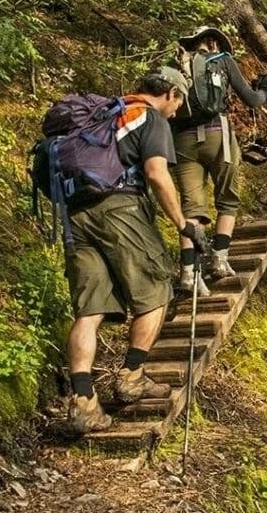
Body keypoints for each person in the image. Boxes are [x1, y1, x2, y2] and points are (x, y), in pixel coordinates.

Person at [65, 68, 209, 433]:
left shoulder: (106, 115)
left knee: (90, 309)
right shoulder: (150, 117)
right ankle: (131, 375)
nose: (177, 112)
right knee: (157, 290)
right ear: (171, 94)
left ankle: (83, 402)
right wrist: (183, 225)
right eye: (179, 103)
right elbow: (157, 175)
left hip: (76, 214)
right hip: (120, 208)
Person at [171, 26, 267, 296]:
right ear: (214, 43)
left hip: (182, 140)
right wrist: (265, 90)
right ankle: (218, 258)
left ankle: (188, 273)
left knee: (191, 210)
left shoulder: (177, 65)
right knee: (227, 198)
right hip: (218, 134)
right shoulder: (222, 62)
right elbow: (251, 100)